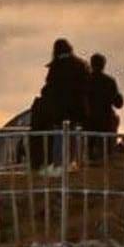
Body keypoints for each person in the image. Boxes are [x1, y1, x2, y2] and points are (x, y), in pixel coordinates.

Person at [39, 38, 90, 171]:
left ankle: (58, 163)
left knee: (58, 135)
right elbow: (86, 85)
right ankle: (72, 161)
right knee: (72, 134)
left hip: (59, 108)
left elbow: (48, 88)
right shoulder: (80, 65)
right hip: (76, 107)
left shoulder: (55, 67)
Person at [86, 53, 124, 158]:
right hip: (105, 121)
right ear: (103, 65)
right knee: (107, 152)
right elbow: (118, 103)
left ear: (91, 64)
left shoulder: (85, 80)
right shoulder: (109, 82)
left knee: (89, 149)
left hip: (88, 121)